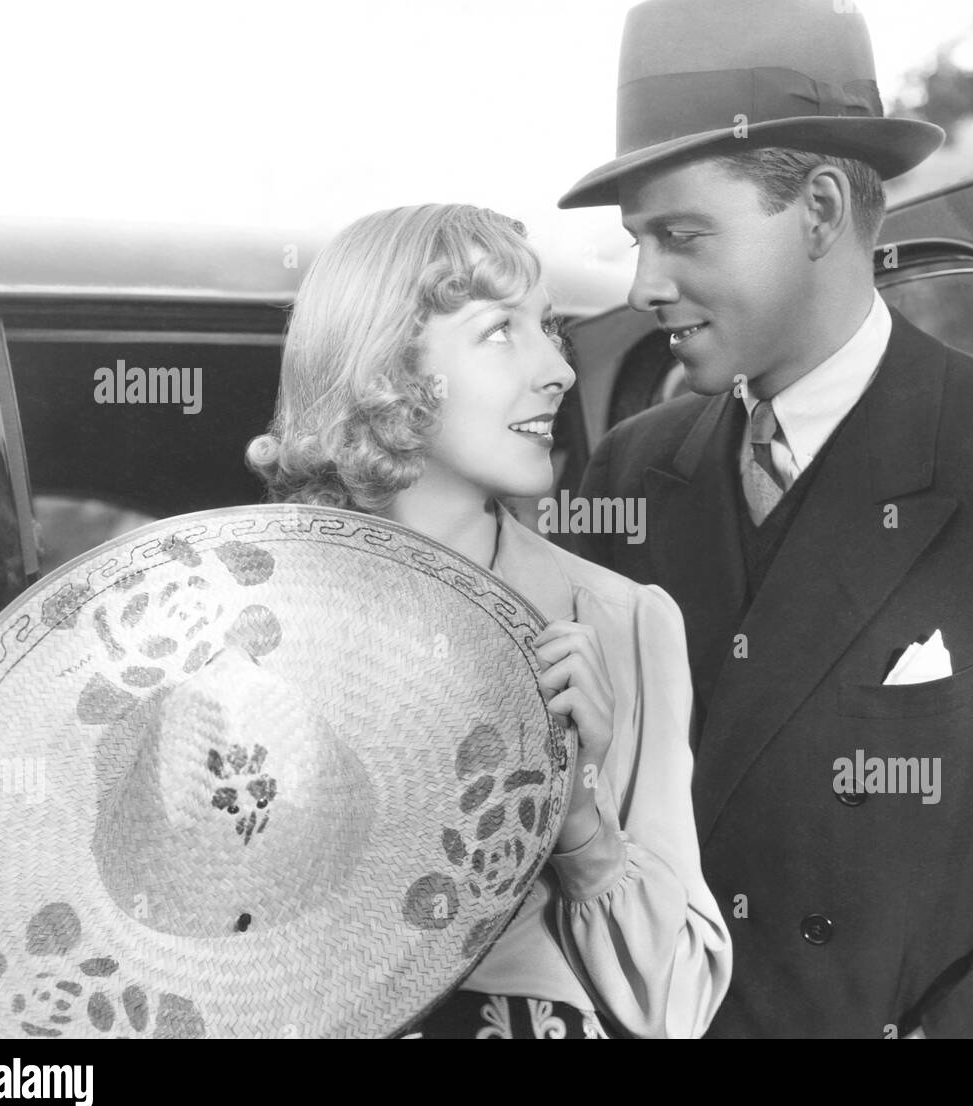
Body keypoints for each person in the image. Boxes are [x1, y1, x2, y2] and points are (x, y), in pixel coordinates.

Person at [562, 0, 973, 1037]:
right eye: (635, 241)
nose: (647, 283)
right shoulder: (631, 475)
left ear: (823, 209)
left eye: (680, 235)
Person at [245, 203, 731, 1038]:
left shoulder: (621, 623)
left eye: (550, 330)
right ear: (385, 370)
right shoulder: (240, 615)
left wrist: (576, 817)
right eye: (502, 332)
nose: (558, 371)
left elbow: (675, 1007)